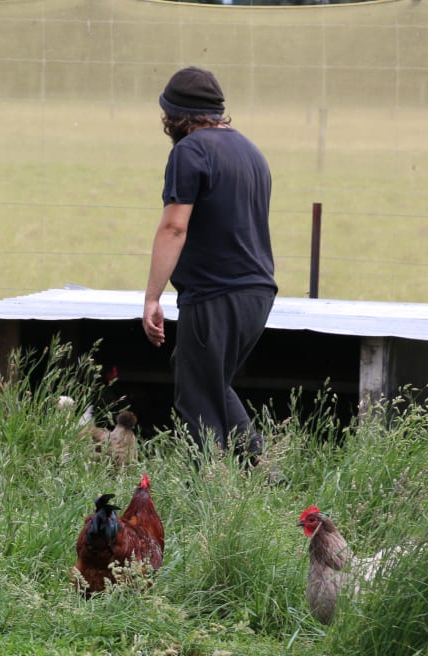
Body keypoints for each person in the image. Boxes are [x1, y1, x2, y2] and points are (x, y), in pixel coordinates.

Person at [141, 66, 276, 468]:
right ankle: (263, 473)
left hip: (217, 294)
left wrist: (152, 297)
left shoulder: (190, 151)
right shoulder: (251, 152)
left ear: (174, 116)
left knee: (195, 397)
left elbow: (174, 226)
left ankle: (210, 489)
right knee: (211, 383)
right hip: (258, 293)